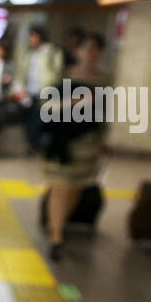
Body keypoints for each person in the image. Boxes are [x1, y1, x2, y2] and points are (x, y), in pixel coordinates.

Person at [41, 32, 109, 262]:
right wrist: (74, 102)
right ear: (77, 52)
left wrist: (103, 141)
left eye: (96, 49)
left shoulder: (104, 81)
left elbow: (104, 116)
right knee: (60, 187)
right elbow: (45, 107)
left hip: (87, 143)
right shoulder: (61, 77)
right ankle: (56, 238)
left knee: (75, 189)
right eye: (87, 48)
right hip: (62, 141)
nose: (91, 54)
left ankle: (57, 223)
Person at [11, 25, 64, 151]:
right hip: (29, 93)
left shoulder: (52, 52)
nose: (30, 39)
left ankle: (38, 145)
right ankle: (33, 144)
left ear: (39, 37)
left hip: (45, 93)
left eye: (32, 36)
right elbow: (21, 72)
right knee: (28, 121)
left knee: (39, 121)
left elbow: (58, 73)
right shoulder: (29, 53)